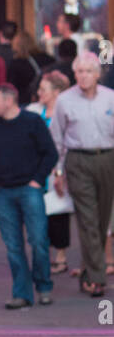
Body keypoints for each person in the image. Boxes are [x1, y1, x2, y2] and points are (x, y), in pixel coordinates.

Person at [0, 83, 56, 309]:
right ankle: (22, 293)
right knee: (13, 246)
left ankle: (43, 286)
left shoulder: (32, 122)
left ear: (9, 100)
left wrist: (37, 181)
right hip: (4, 191)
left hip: (29, 188)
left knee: (38, 240)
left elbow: (49, 153)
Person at [50, 50, 114, 296]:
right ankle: (97, 278)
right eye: (79, 72)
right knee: (87, 219)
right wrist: (57, 171)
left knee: (100, 220)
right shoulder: (65, 100)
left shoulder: (109, 98)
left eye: (88, 72)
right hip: (78, 160)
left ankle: (89, 271)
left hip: (107, 157)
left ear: (97, 74)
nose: (84, 77)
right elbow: (57, 138)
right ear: (74, 74)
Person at [29, 71, 74, 275]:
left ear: (56, 92)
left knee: (59, 214)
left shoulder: (66, 112)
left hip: (59, 168)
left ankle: (61, 257)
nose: (39, 92)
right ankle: (43, 256)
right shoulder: (34, 110)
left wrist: (60, 171)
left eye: (43, 89)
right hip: (37, 170)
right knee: (39, 214)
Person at [6, 30, 42, 106]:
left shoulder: (15, 63)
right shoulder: (44, 58)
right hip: (41, 96)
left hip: (22, 100)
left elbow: (11, 84)